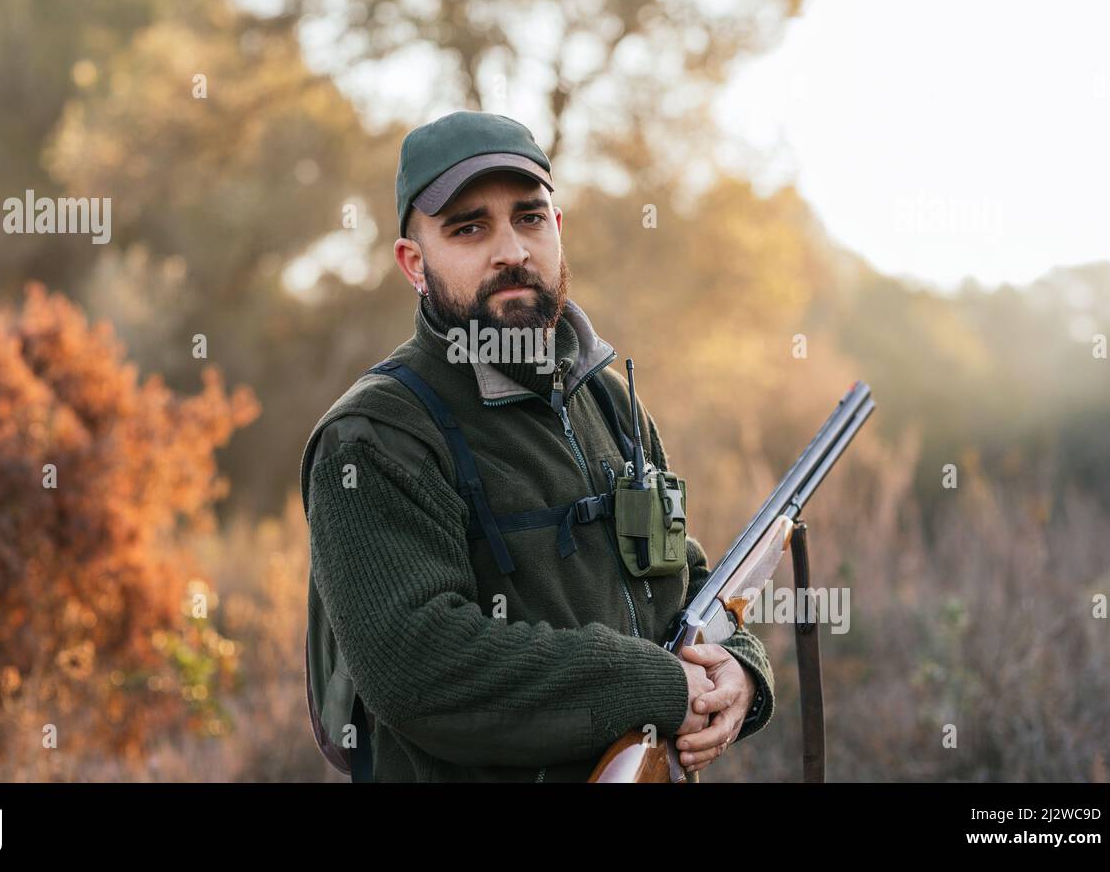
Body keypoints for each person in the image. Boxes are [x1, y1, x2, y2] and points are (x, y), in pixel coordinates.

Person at [302, 110, 774, 782]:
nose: (512, 251)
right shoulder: (374, 438)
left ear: (557, 229)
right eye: (469, 227)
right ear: (414, 263)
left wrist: (741, 668)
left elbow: (681, 582)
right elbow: (419, 665)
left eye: (529, 219)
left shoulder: (608, 400)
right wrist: (654, 684)